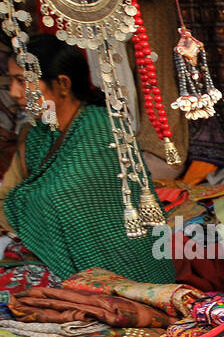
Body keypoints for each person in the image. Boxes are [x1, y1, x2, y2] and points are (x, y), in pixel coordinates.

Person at [0, 34, 175, 283]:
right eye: (12, 81)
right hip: (51, 251)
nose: (15, 92)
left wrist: (19, 205)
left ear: (62, 83)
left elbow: (59, 199)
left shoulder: (103, 128)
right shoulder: (34, 133)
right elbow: (9, 194)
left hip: (120, 265)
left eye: (23, 81)